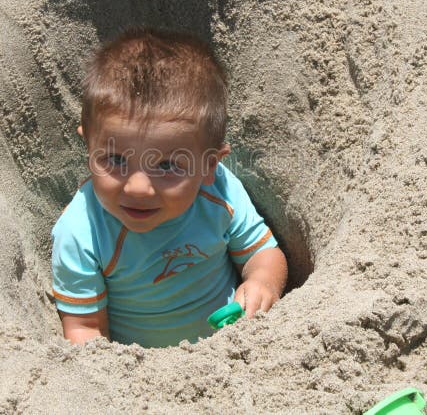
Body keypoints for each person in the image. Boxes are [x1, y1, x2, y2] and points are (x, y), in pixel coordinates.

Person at [51, 28, 288, 347]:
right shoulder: (82, 231)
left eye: (166, 165)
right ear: (89, 145)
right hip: (143, 372)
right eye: (116, 159)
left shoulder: (218, 192)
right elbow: (84, 328)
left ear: (209, 166)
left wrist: (263, 282)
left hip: (235, 348)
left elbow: (262, 253)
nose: (137, 188)